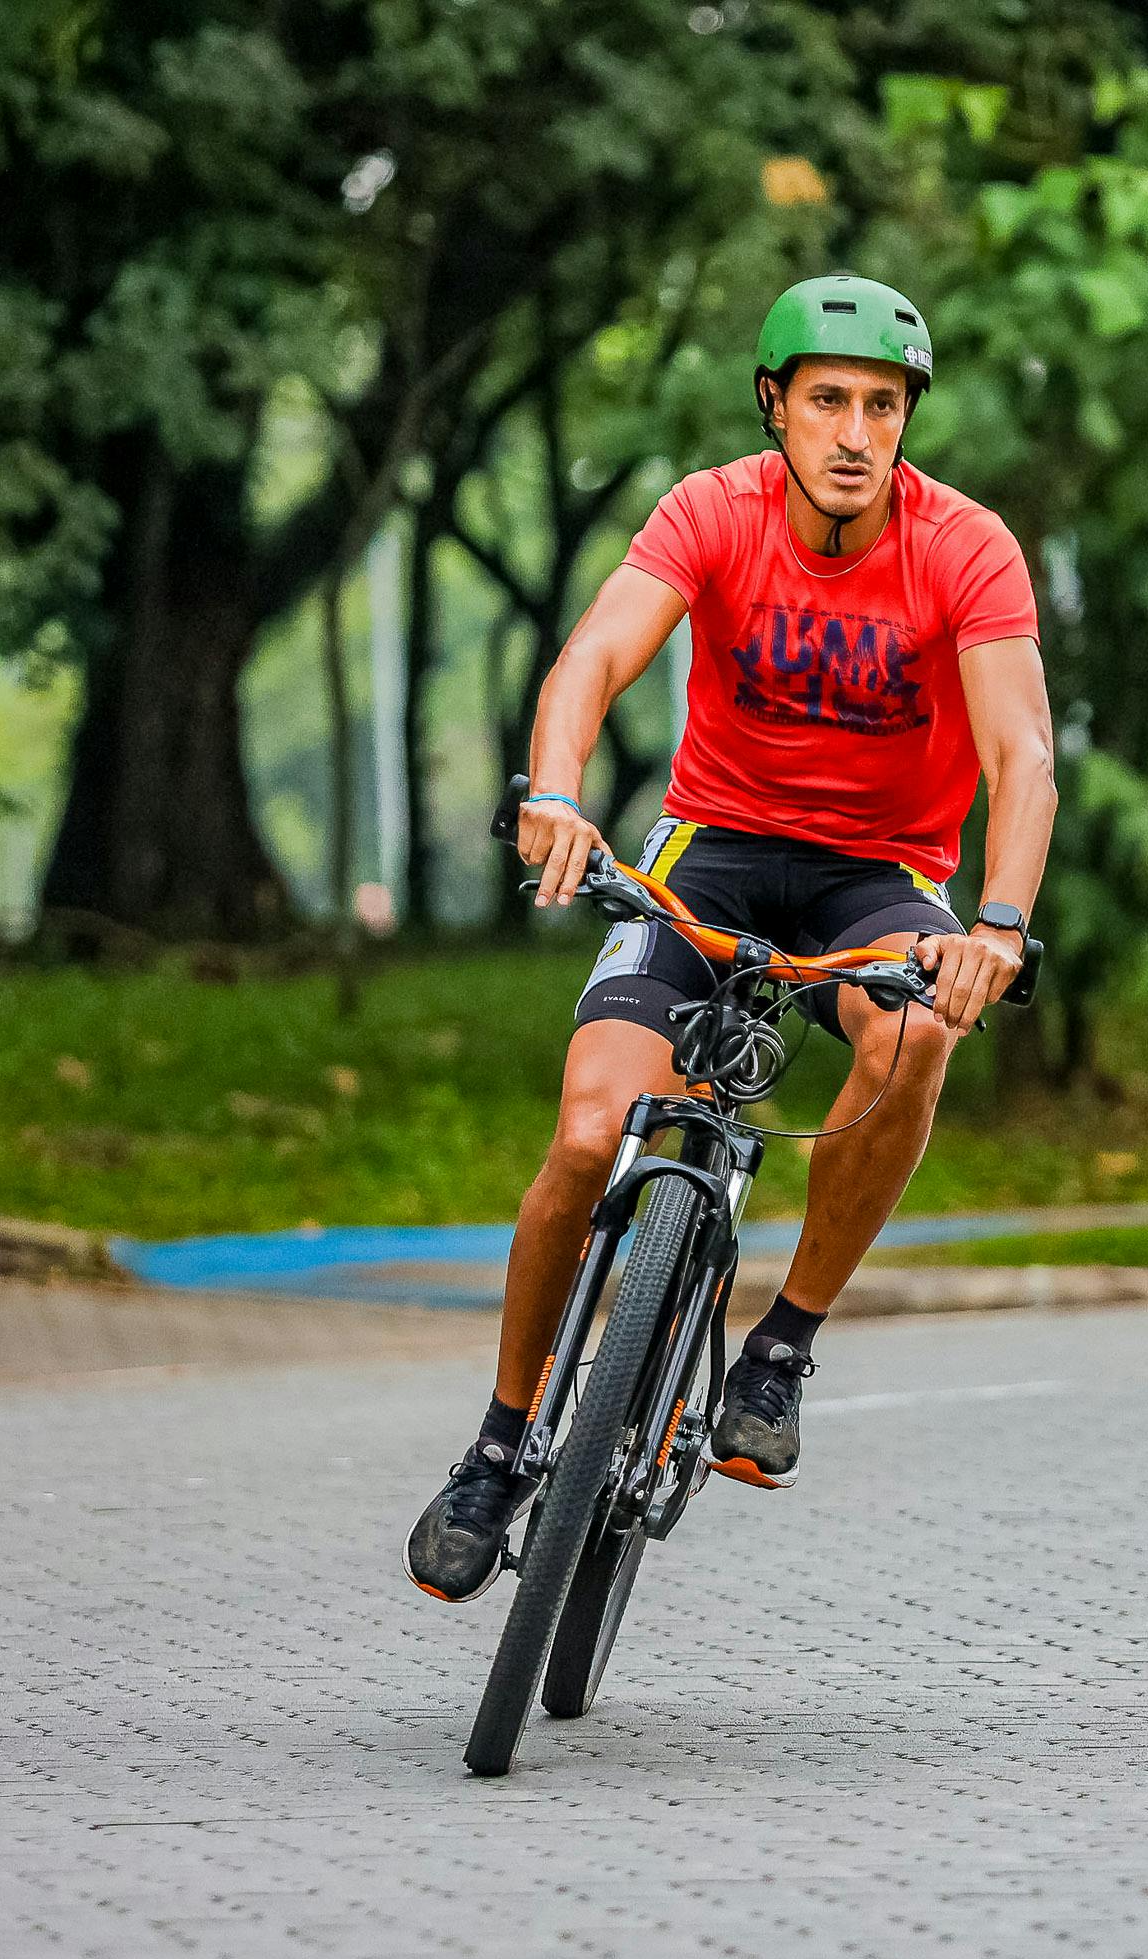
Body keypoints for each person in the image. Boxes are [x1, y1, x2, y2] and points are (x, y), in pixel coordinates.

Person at [407, 274, 1057, 1602]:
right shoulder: (712, 510)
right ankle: (501, 1442)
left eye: (883, 406)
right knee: (589, 1135)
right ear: (775, 404)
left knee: (918, 1037)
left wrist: (997, 923)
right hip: (711, 849)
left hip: (880, 874)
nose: (856, 434)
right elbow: (593, 658)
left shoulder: (966, 547)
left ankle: (781, 1349)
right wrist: (555, 795)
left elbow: (1023, 752)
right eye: (828, 401)